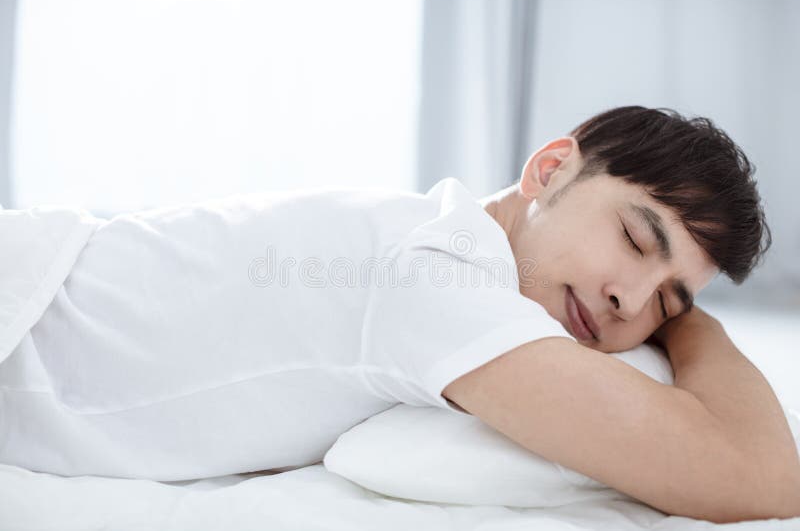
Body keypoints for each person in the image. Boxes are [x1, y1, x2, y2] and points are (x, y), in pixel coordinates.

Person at [0, 106, 797, 523]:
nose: (631, 300)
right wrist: (697, 323)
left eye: (664, 301)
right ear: (550, 169)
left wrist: (670, 303)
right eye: (632, 238)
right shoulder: (441, 283)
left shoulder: (430, 237)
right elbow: (760, 479)